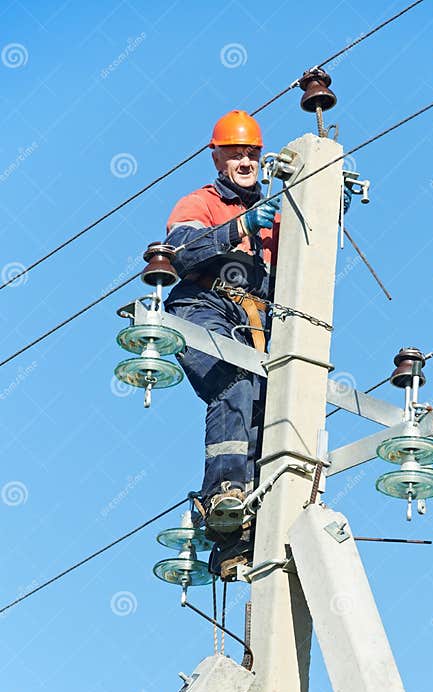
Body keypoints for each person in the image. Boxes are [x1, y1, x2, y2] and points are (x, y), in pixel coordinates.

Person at [164, 110, 280, 579]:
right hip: (202, 305)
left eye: (251, 152)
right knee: (231, 383)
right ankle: (225, 492)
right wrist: (240, 227)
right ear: (218, 158)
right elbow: (182, 254)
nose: (245, 160)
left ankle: (240, 531)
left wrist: (326, 206)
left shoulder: (278, 218)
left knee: (272, 410)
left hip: (256, 318)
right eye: (235, 153)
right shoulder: (200, 203)